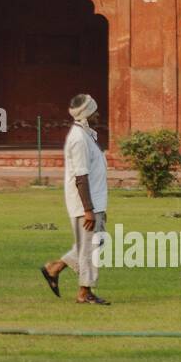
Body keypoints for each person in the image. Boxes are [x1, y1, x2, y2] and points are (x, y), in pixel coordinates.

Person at [41, 93, 111, 305]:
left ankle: (55, 268)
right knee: (89, 248)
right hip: (85, 204)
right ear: (87, 114)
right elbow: (81, 176)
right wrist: (88, 209)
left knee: (96, 243)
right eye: (95, 111)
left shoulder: (86, 135)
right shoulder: (78, 139)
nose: (98, 114)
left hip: (95, 201)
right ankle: (84, 293)